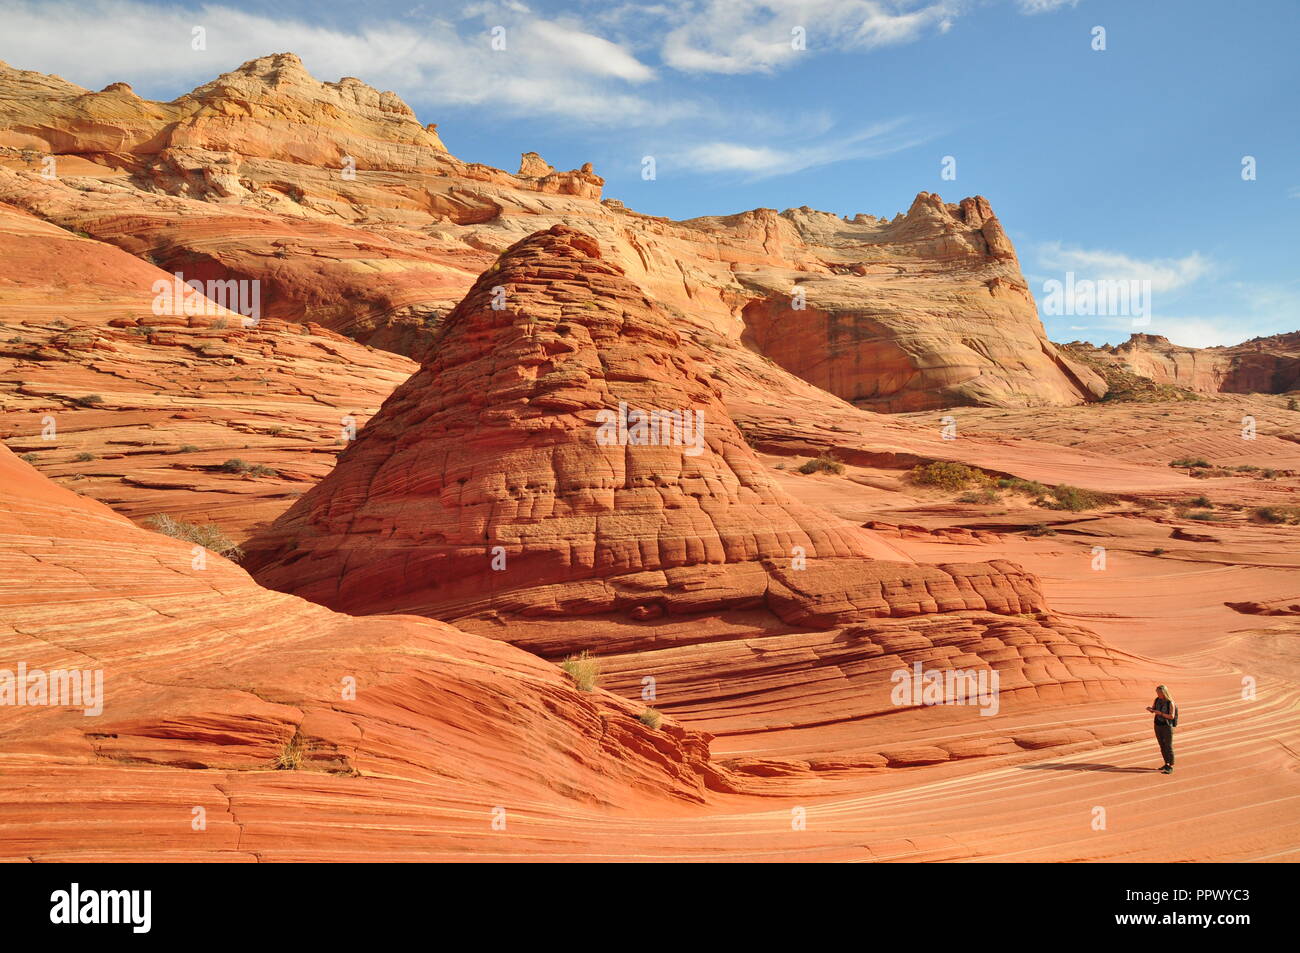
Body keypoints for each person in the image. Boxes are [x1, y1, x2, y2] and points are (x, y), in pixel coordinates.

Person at [1145, 685, 1177, 774]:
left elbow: (1172, 716)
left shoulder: (1170, 702)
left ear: (1164, 692)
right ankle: (1166, 763)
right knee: (1162, 745)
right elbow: (1154, 709)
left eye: (1159, 692)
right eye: (1157, 692)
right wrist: (1150, 709)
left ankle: (1170, 766)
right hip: (1157, 725)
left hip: (1167, 726)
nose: (1157, 694)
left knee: (1168, 746)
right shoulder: (1157, 700)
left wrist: (1161, 713)